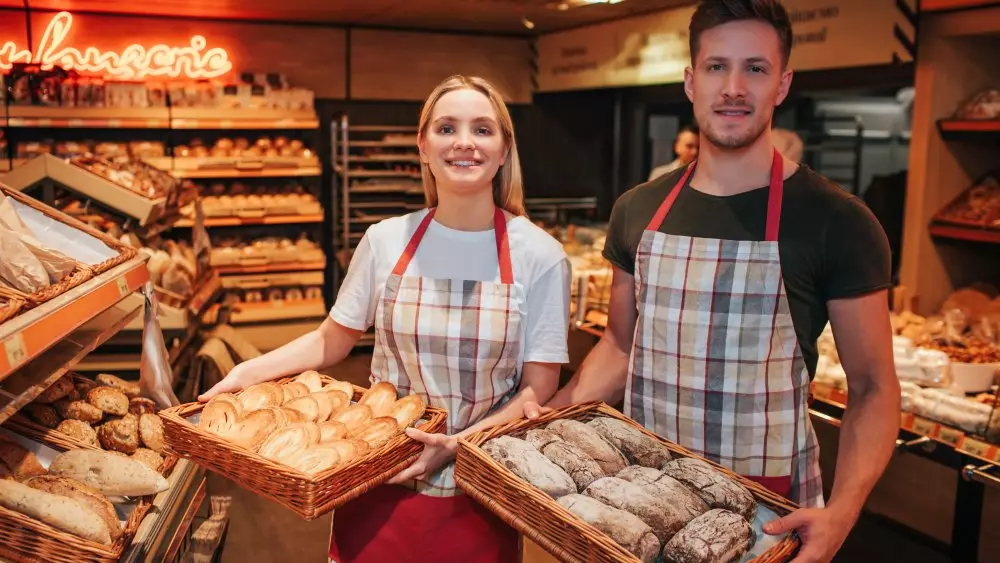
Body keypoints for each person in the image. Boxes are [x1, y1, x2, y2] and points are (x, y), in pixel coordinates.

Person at [525, 1, 900, 561]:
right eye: (716, 66)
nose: (733, 87)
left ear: (782, 84)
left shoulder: (837, 221)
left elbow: (872, 387)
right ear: (690, 81)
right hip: (645, 500)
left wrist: (842, 513)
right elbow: (621, 346)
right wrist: (545, 423)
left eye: (756, 68)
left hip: (767, 513)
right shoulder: (638, 210)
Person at [201, 75, 572, 563]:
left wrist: (457, 445)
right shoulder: (385, 242)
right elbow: (332, 341)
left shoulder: (541, 256)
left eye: (482, 130)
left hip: (481, 489)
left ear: (504, 150)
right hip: (376, 474)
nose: (464, 142)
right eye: (447, 128)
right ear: (423, 146)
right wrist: (245, 374)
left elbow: (538, 388)